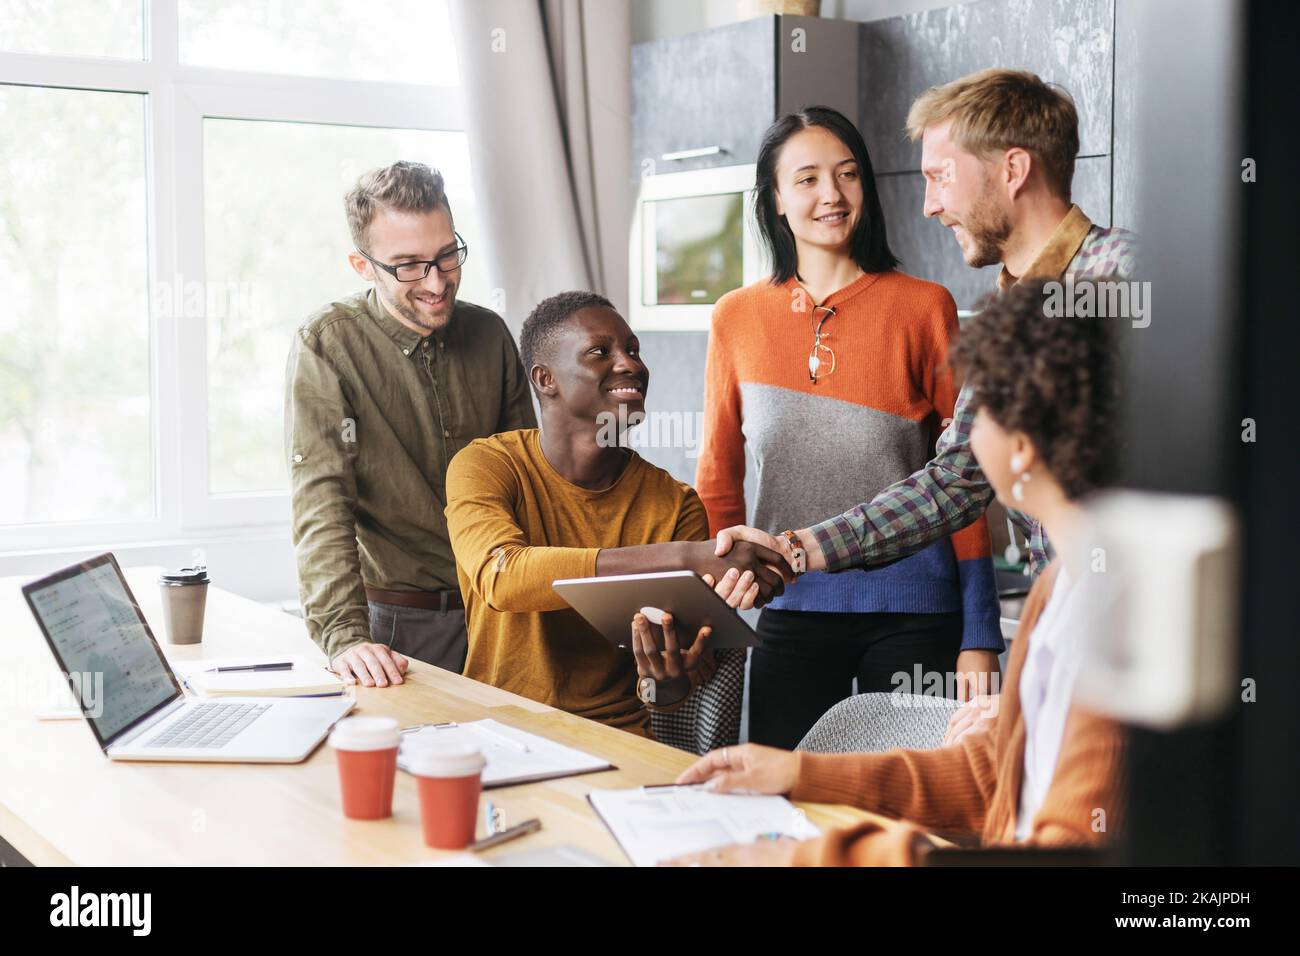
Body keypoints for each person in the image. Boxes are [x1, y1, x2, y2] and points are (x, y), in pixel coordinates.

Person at [712, 69, 1139, 740]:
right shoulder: (1008, 307)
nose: (930, 205)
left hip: (1141, 632)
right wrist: (796, 549)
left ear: (1013, 169)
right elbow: (956, 480)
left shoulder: (1122, 275)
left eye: (940, 177)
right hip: (1072, 627)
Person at [667, 278, 1126, 865]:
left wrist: (799, 860)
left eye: (971, 417)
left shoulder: (1114, 616)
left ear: (1018, 448)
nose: (956, 442)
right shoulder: (1061, 590)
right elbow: (991, 778)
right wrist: (800, 772)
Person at [695, 106, 1002, 750]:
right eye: (806, 179)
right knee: (785, 801)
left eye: (847, 174)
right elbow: (718, 479)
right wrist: (722, 603)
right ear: (775, 199)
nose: (831, 195)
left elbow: (967, 480)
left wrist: (979, 633)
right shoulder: (736, 318)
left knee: (902, 809)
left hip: (916, 616)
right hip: (789, 608)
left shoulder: (925, 307)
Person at [444, 291, 794, 747]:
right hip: (495, 732)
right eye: (600, 352)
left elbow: (674, 689)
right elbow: (503, 577)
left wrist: (664, 680)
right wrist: (685, 557)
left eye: (633, 350)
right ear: (545, 379)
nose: (630, 364)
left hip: (614, 741)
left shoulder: (674, 504)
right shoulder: (485, 465)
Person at [285, 161, 536, 687]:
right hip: (394, 628)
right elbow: (322, 500)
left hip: (502, 610)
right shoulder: (327, 345)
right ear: (362, 265)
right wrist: (345, 636)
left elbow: (529, 482)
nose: (436, 282)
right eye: (408, 265)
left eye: (447, 255)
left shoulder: (490, 335)